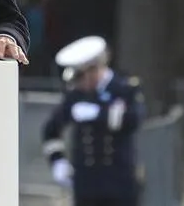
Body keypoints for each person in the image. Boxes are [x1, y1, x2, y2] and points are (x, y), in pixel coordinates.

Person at [42, 36, 144, 206]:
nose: (80, 83)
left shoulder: (124, 88)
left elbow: (134, 120)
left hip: (119, 184)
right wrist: (58, 161)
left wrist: (99, 114)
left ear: (95, 69)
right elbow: (51, 130)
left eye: (82, 76)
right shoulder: (76, 95)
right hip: (86, 186)